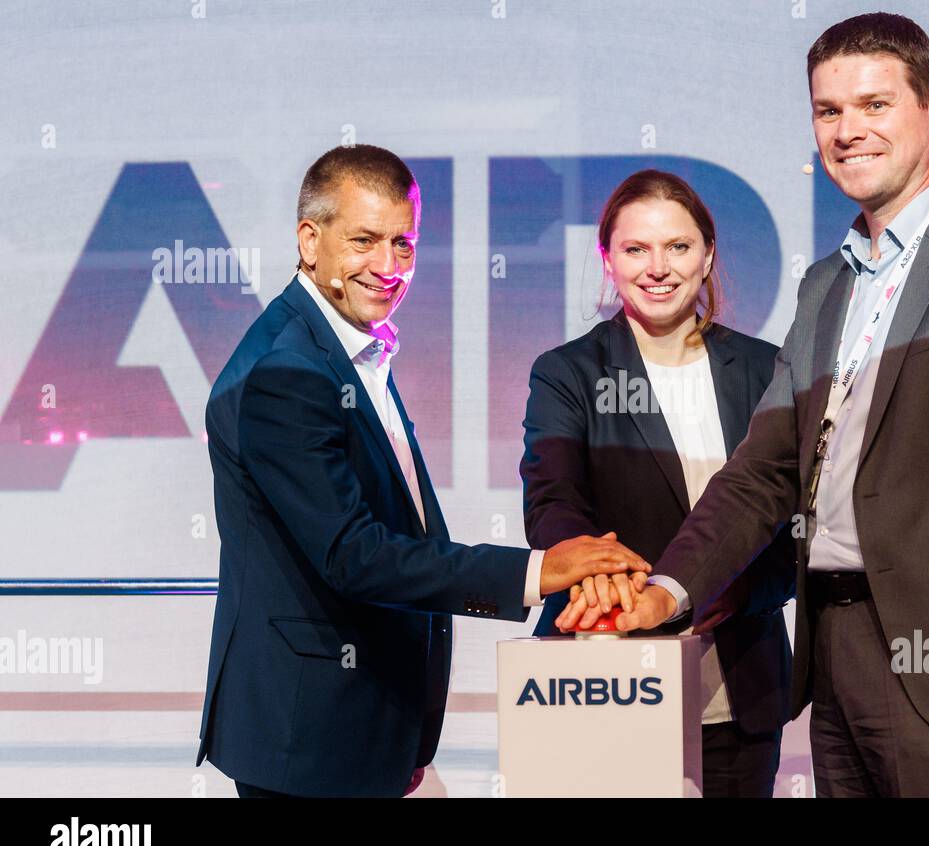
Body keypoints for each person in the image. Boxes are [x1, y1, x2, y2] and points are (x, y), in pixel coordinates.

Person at [560, 12, 929, 798]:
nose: (849, 130)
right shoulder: (827, 282)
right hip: (833, 655)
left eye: (875, 105)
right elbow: (762, 473)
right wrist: (664, 592)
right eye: (829, 110)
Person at [197, 145, 649, 798]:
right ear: (309, 239)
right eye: (363, 241)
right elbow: (353, 555)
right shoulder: (286, 370)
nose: (387, 266)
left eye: (403, 244)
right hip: (311, 744)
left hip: (363, 729)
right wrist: (535, 570)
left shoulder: (345, 342)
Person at [521, 170, 796, 797]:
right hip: (609, 677)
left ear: (708, 256)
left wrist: (726, 587)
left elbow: (796, 522)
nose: (658, 267)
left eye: (677, 246)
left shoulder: (765, 367)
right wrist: (608, 580)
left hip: (737, 685)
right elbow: (552, 505)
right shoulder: (567, 372)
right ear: (608, 260)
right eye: (635, 248)